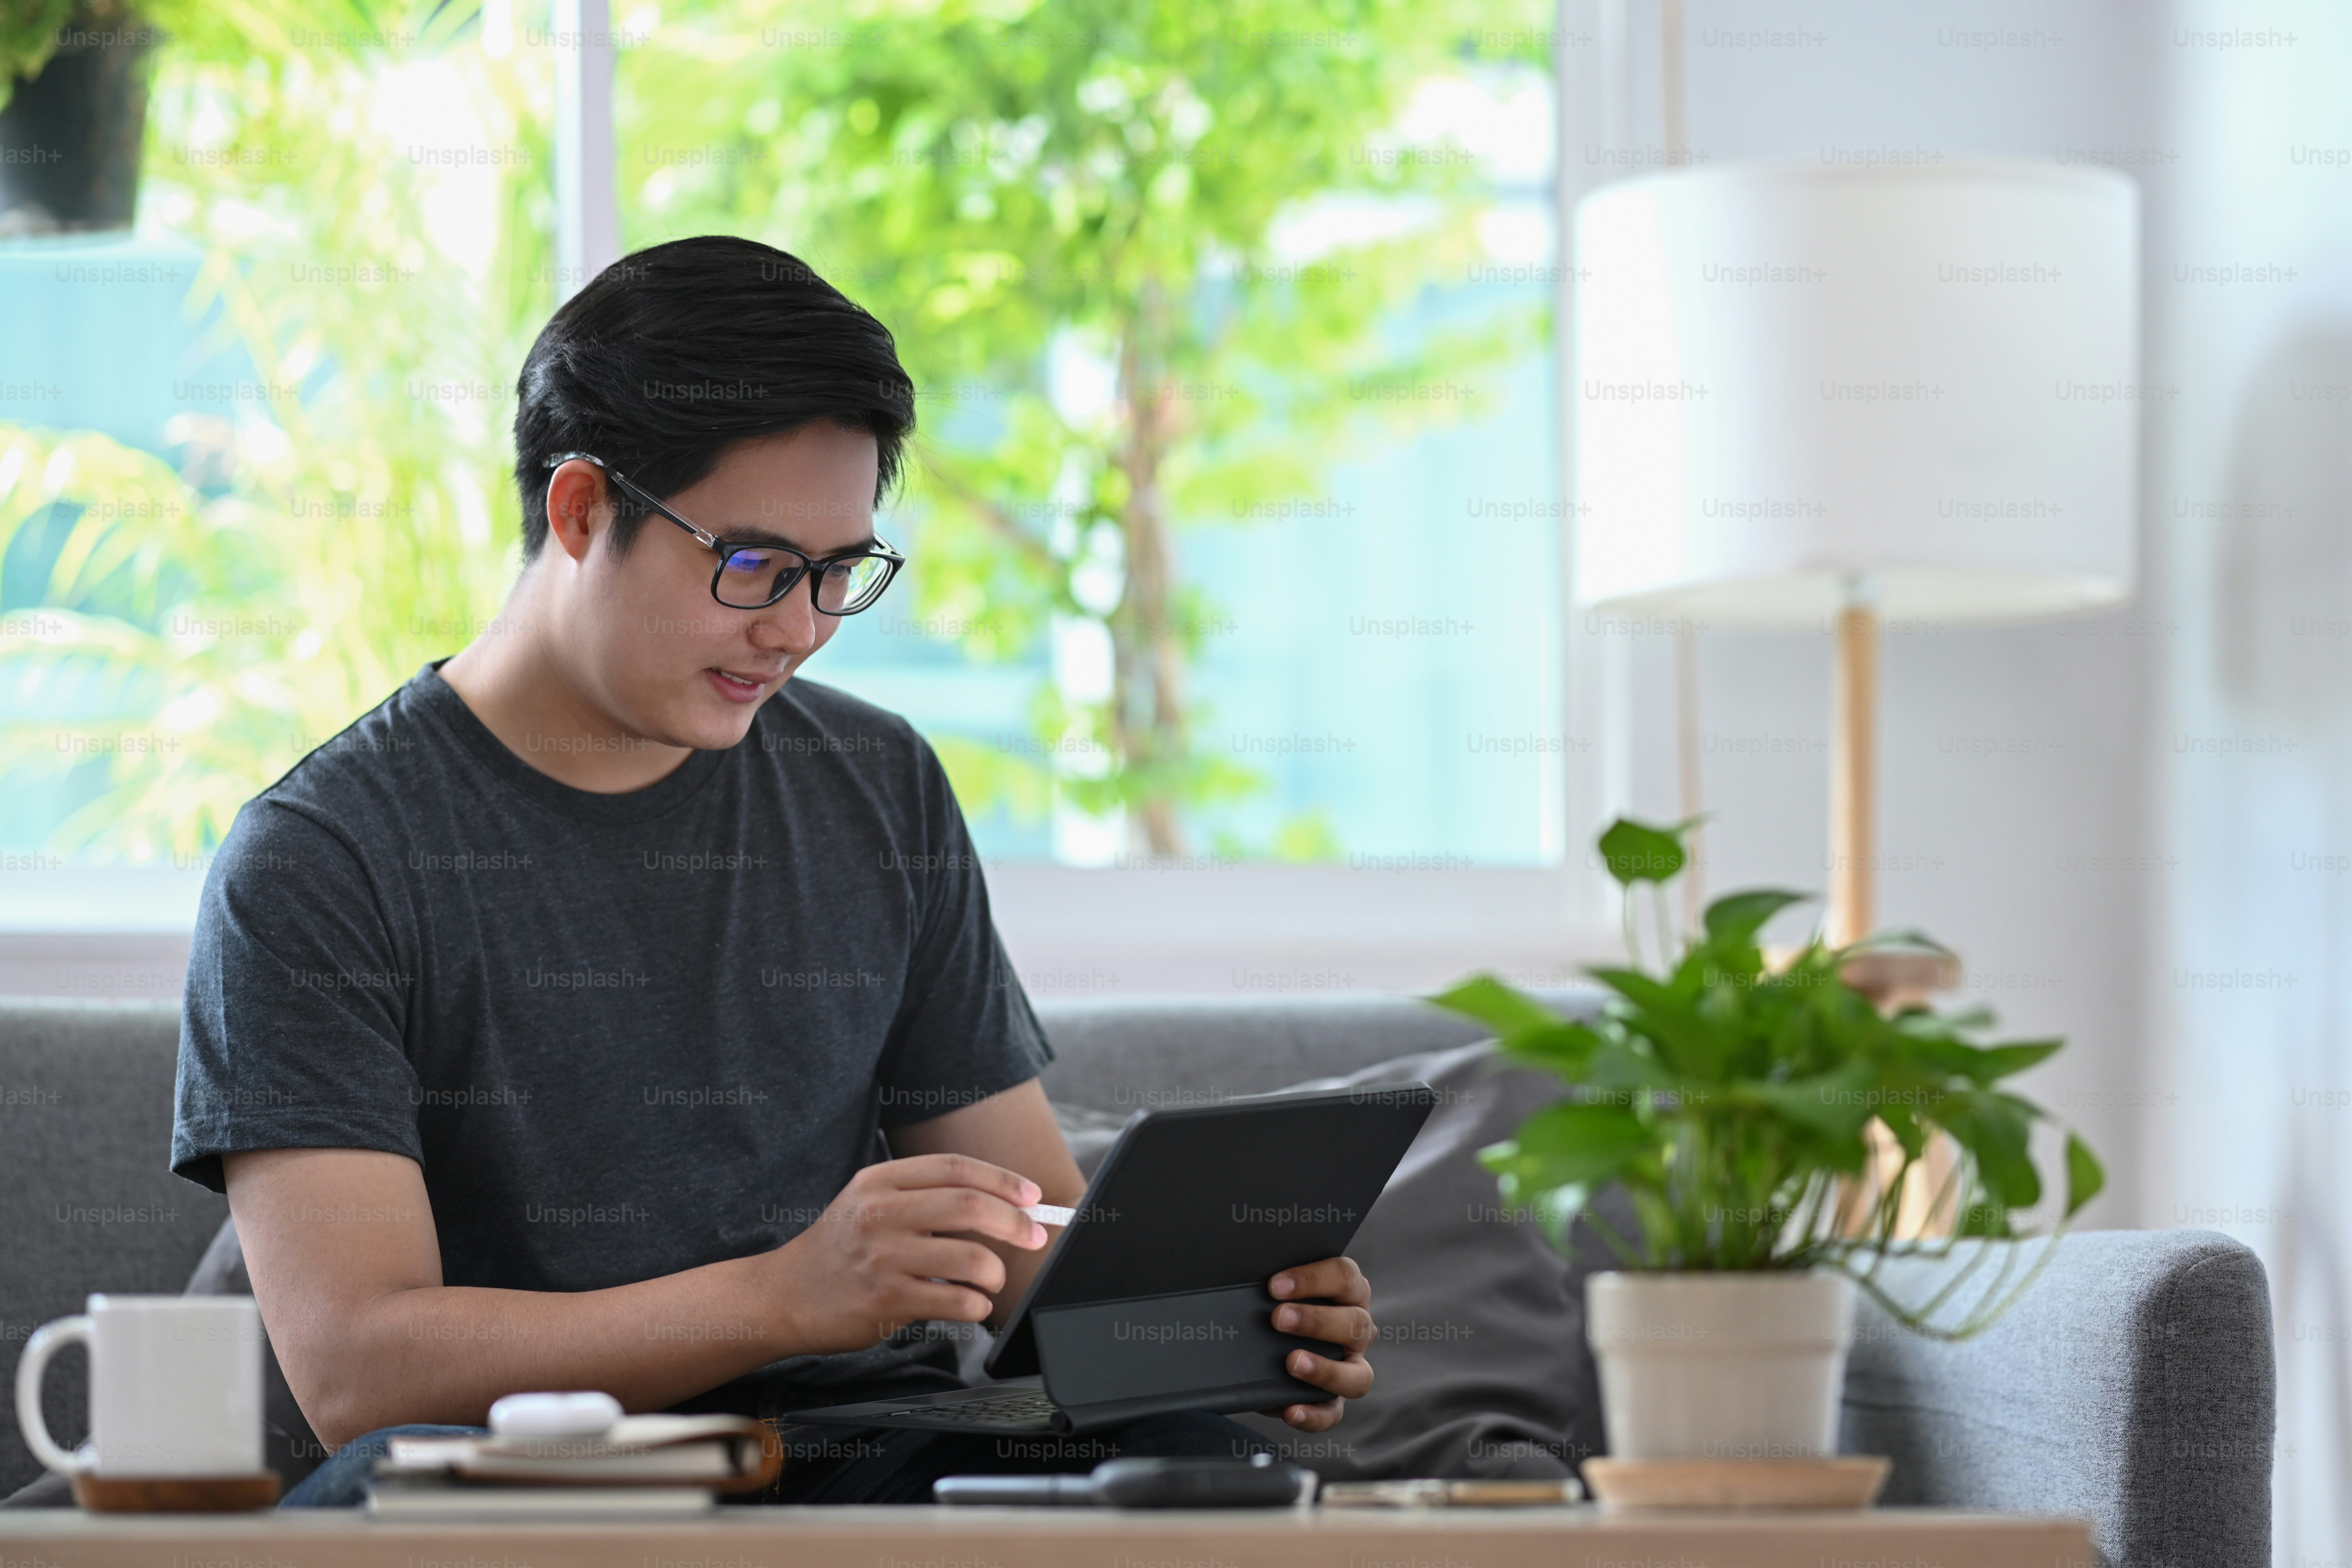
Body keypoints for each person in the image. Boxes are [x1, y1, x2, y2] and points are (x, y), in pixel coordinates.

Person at [168, 236, 1375, 1506]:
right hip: (531, 1476)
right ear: (582, 511)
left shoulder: (878, 781)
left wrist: (1220, 1321)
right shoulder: (320, 857)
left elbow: (1027, 1238)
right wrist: (783, 1294)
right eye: (752, 566)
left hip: (886, 1447)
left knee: (1206, 1465)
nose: (798, 626)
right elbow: (359, 1372)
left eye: (839, 571)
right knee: (373, 1496)